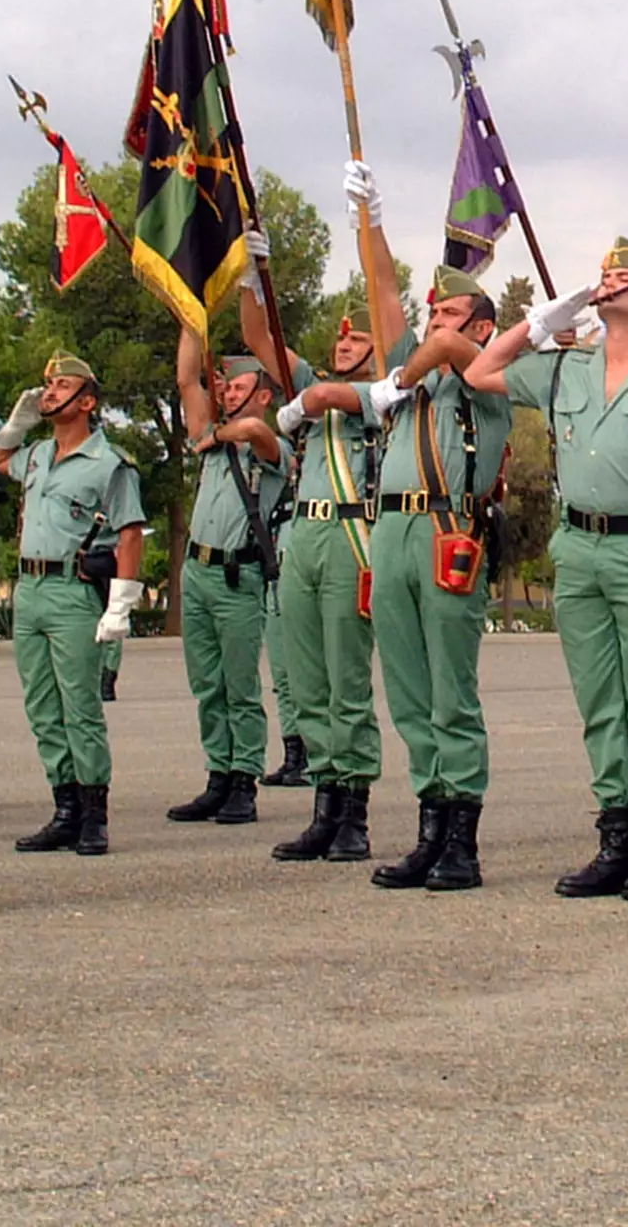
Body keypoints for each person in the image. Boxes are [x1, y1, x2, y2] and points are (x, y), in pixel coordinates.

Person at [464, 240, 628, 902]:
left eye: (623, 277)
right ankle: (614, 836)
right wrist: (543, 322)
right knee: (600, 703)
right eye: (602, 275)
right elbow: (479, 372)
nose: (607, 282)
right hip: (577, 549)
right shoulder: (565, 370)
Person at [314, 267, 513, 890]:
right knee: (408, 693)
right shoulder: (413, 386)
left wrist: (399, 377)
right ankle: (430, 829)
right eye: (431, 313)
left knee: (450, 692)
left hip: (444, 529)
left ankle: (462, 841)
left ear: (482, 326)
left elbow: (450, 352)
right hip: (392, 532)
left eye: (449, 312)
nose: (435, 324)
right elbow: (385, 304)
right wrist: (367, 221)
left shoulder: (485, 376)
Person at [0, 353, 147, 858]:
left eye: (63, 385)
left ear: (88, 401)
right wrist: (15, 425)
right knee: (42, 706)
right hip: (29, 589)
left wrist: (121, 603)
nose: (50, 391)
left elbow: (129, 534)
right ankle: (64, 808)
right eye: (49, 383)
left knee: (80, 706)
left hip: (71, 591)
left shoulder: (110, 463)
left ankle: (94, 814)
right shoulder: (36, 455)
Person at [249, 297, 386, 859]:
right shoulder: (310, 382)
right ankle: (324, 805)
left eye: (358, 338)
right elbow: (258, 336)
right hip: (302, 535)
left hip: (352, 537)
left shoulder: (387, 392)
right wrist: (251, 280)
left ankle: (353, 813)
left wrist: (305, 399)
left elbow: (329, 398)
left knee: (345, 682)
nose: (344, 344)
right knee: (306, 682)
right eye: (341, 339)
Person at [166, 323, 288, 829]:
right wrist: (192, 317)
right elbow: (186, 381)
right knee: (206, 683)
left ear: (261, 394)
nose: (227, 393)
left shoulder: (269, 444)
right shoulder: (211, 439)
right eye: (227, 387)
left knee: (239, 685)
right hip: (197, 571)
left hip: (239, 578)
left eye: (238, 388)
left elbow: (258, 432)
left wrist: (218, 430)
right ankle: (218, 773)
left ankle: (244, 780)